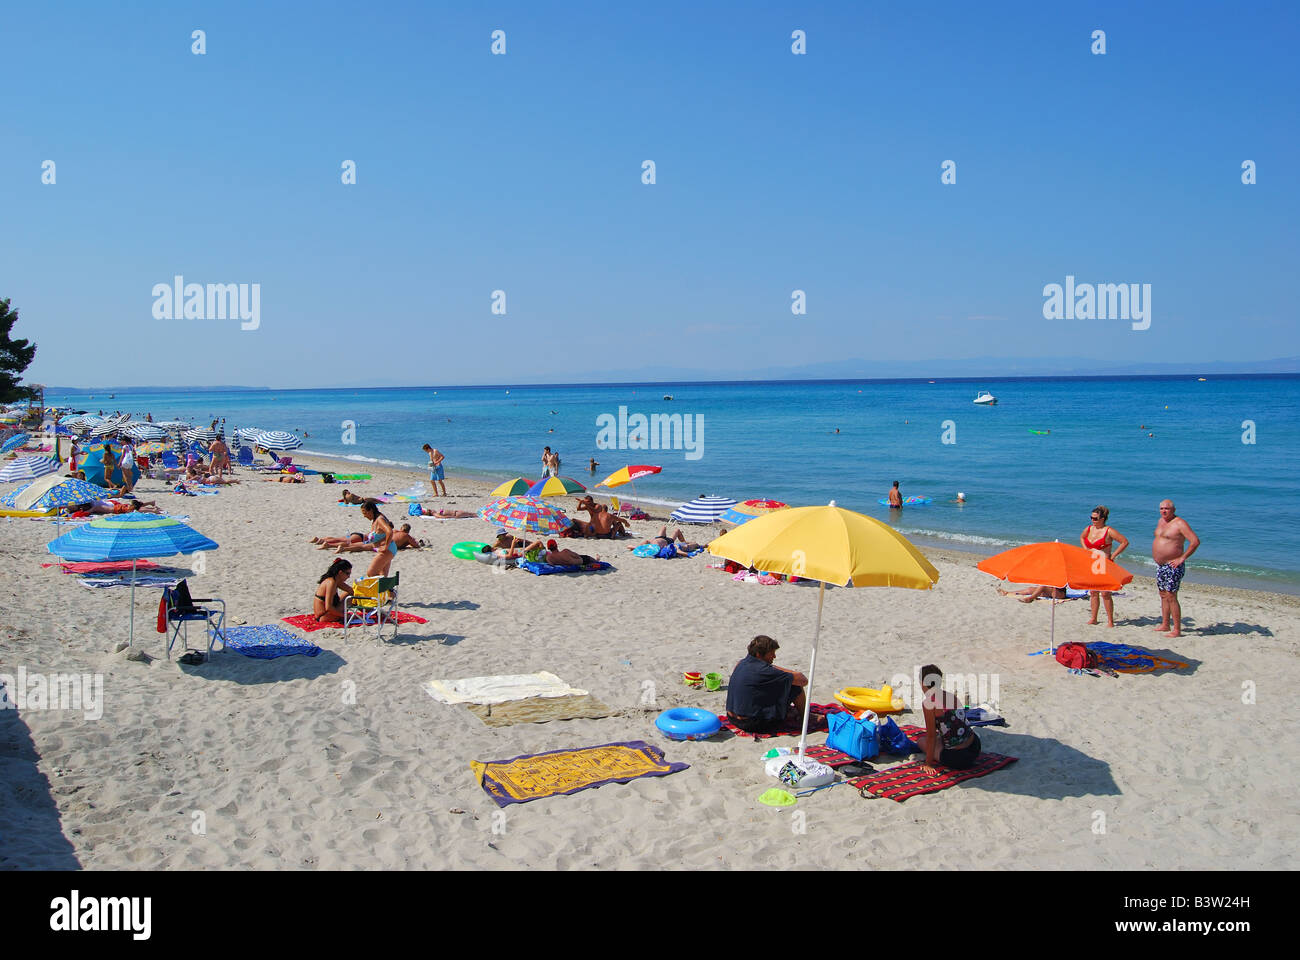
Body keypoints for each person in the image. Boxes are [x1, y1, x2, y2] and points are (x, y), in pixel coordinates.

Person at [725, 635, 808, 734]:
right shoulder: (765, 671)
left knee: (776, 686)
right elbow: (803, 680)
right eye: (771, 653)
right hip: (753, 723)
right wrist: (772, 667)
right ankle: (805, 718)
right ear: (759, 655)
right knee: (795, 687)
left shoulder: (741, 663)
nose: (774, 656)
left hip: (732, 718)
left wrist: (769, 666)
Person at [919, 665, 981, 774]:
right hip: (975, 746)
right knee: (943, 737)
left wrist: (928, 764)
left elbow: (931, 736)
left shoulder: (928, 703)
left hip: (958, 758)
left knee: (921, 741)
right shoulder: (950, 696)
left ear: (923, 683)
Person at [1152, 499, 1200, 638]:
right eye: (1161, 508)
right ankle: (1165, 624)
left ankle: (1177, 629)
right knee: (1163, 594)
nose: (1164, 511)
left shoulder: (1180, 523)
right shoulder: (1161, 521)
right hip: (1161, 565)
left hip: (1173, 565)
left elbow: (1195, 541)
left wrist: (1182, 558)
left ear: (1173, 510)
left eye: (1166, 508)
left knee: (1171, 596)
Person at [1080, 505, 1129, 627]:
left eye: (1095, 518)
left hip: (1104, 565)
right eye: (1091, 517)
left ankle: (1110, 620)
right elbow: (1082, 537)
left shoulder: (1109, 531)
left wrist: (1113, 556)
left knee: (1105, 594)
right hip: (1091, 564)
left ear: (1103, 518)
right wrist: (1085, 549)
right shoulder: (1089, 529)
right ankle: (1094, 618)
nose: (1093, 520)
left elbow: (1124, 542)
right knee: (1093, 592)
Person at [360, 502, 396, 577]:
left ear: (371, 511)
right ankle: (387, 588)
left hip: (387, 550)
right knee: (382, 576)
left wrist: (386, 546)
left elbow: (389, 531)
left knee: (371, 573)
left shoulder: (380, 519)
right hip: (388, 549)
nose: (364, 516)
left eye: (365, 513)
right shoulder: (376, 518)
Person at [313, 558, 353, 623]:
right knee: (350, 598)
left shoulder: (336, 580)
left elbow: (351, 591)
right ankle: (368, 613)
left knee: (350, 595)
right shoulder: (331, 582)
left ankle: (368, 611)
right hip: (323, 617)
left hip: (327, 614)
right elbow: (328, 607)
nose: (349, 576)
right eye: (347, 573)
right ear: (340, 573)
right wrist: (344, 615)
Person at [997, 584, 1067, 603]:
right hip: (1051, 592)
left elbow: (1062, 586)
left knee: (1042, 587)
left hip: (1060, 594)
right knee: (1030, 589)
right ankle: (1007, 592)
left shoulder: (1062, 574)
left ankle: (1030, 599)